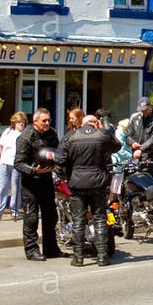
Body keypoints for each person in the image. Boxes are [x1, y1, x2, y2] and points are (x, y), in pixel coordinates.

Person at [56, 114, 116, 267]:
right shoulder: (102, 136)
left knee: (78, 220)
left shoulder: (71, 136)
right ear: (95, 123)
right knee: (100, 219)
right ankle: (102, 256)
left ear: (82, 124)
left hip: (77, 183)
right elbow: (116, 146)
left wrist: (65, 175)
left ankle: (78, 257)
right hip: (98, 182)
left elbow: (60, 159)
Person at [13, 108, 63, 261]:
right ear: (35, 121)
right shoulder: (26, 137)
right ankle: (32, 250)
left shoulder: (52, 134)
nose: (47, 123)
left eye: (48, 120)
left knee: (51, 215)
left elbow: (58, 154)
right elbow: (18, 163)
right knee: (31, 217)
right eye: (44, 121)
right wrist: (34, 170)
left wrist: (58, 169)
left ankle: (51, 248)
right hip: (30, 183)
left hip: (47, 181)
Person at [0, 112, 27, 221]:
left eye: (23, 122)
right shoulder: (7, 132)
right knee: (1, 187)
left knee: (16, 188)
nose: (21, 124)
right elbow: (0, 146)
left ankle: (14, 212)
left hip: (17, 164)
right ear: (14, 123)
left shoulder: (24, 134)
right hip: (4, 162)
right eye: (19, 122)